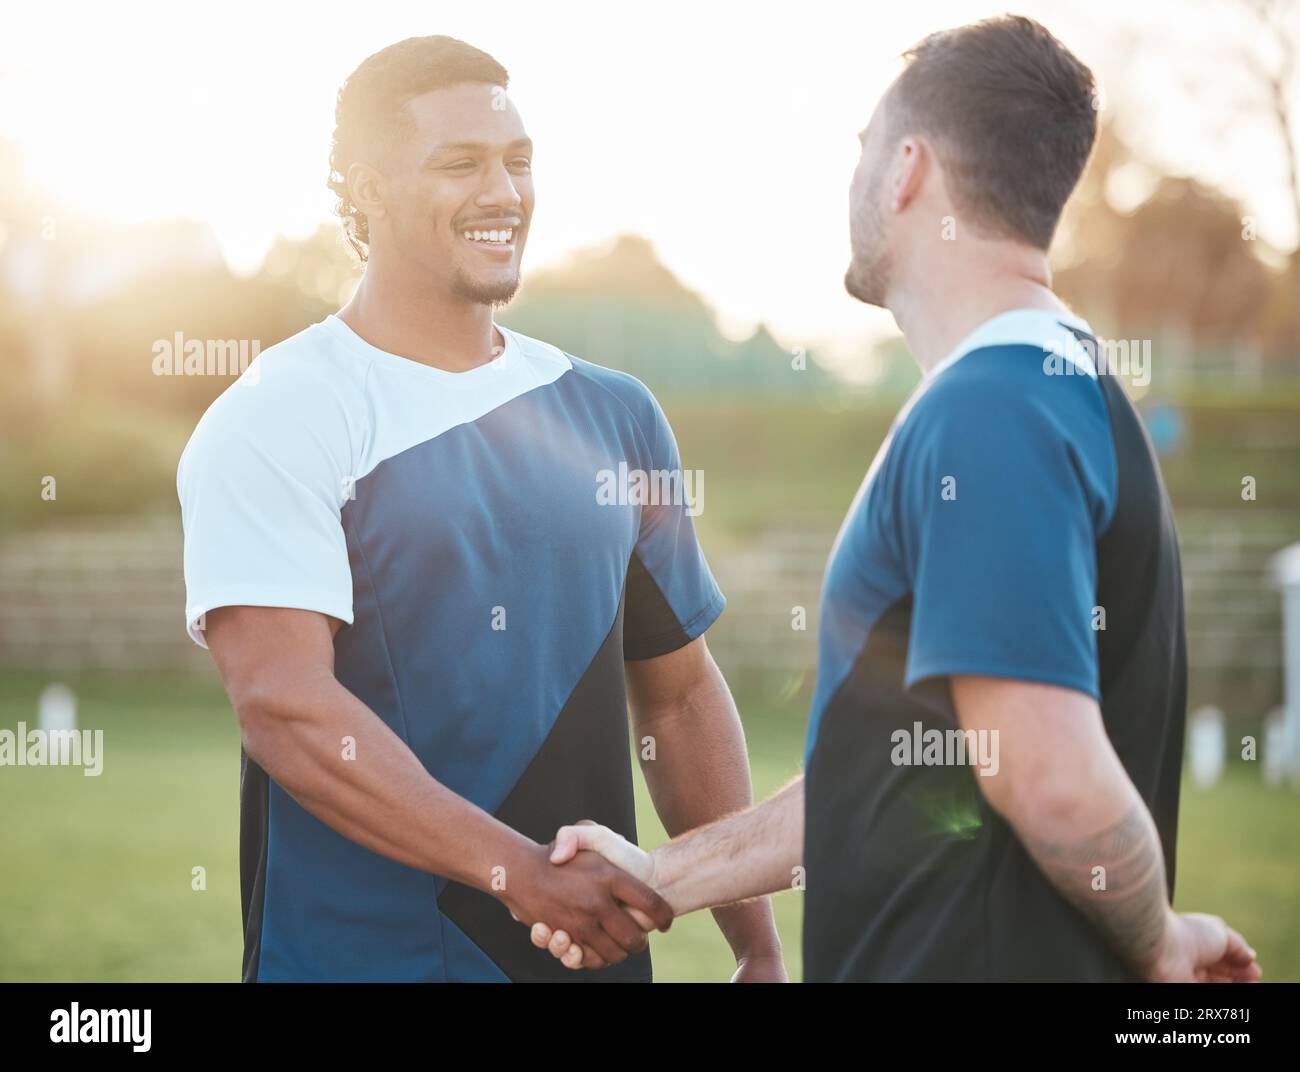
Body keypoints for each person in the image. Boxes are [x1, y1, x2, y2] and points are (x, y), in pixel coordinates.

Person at [531, 15, 1261, 984]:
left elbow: (1043, 771)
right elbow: (901, 770)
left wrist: (1161, 938)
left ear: (906, 169)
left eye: (862, 150)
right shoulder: (1053, 385)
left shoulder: (991, 409)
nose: (852, 179)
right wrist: (663, 871)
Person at [176, 34, 782, 982]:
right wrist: (521, 876)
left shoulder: (615, 414)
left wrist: (756, 946)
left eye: (519, 162)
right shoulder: (277, 413)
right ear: (367, 190)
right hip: (359, 962)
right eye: (459, 164)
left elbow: (681, 690)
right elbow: (286, 707)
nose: (502, 192)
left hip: (592, 963)